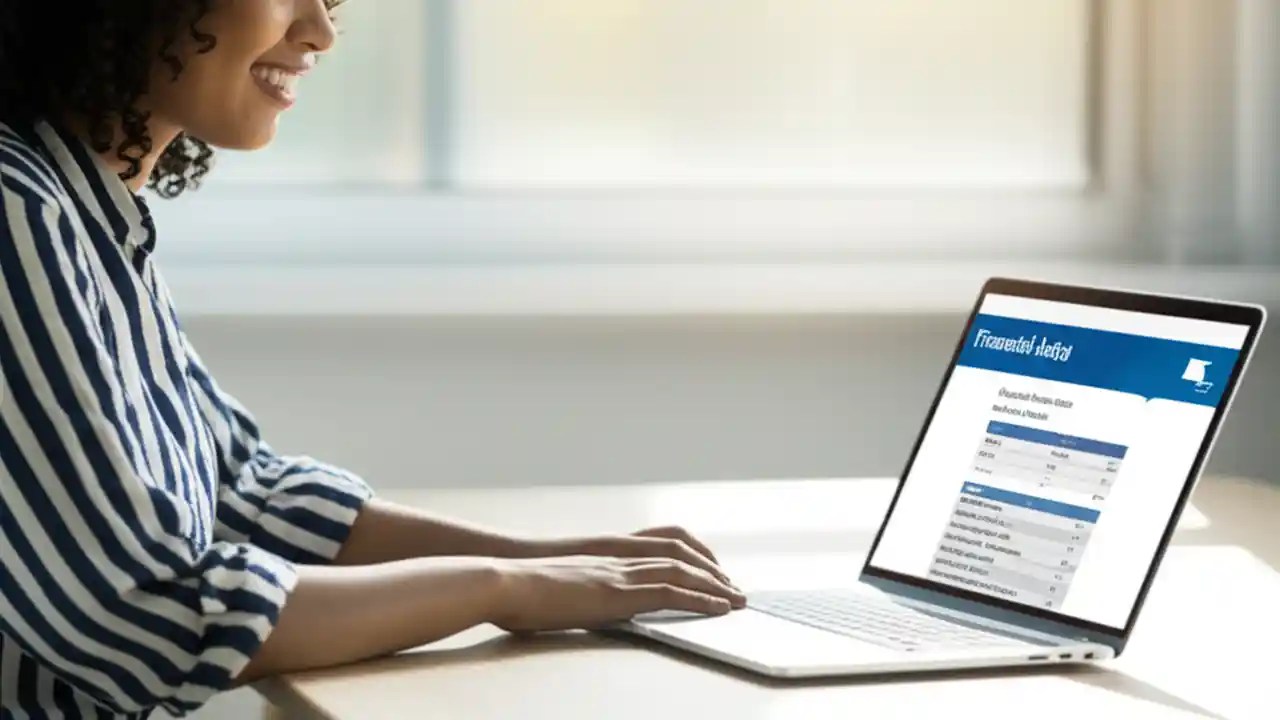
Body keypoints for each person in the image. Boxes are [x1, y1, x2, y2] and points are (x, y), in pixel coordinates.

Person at [0, 2, 745, 717]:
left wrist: (550, 558)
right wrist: (503, 588)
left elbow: (242, 493)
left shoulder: (79, 213)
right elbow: (154, 616)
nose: (320, 30)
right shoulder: (16, 212)